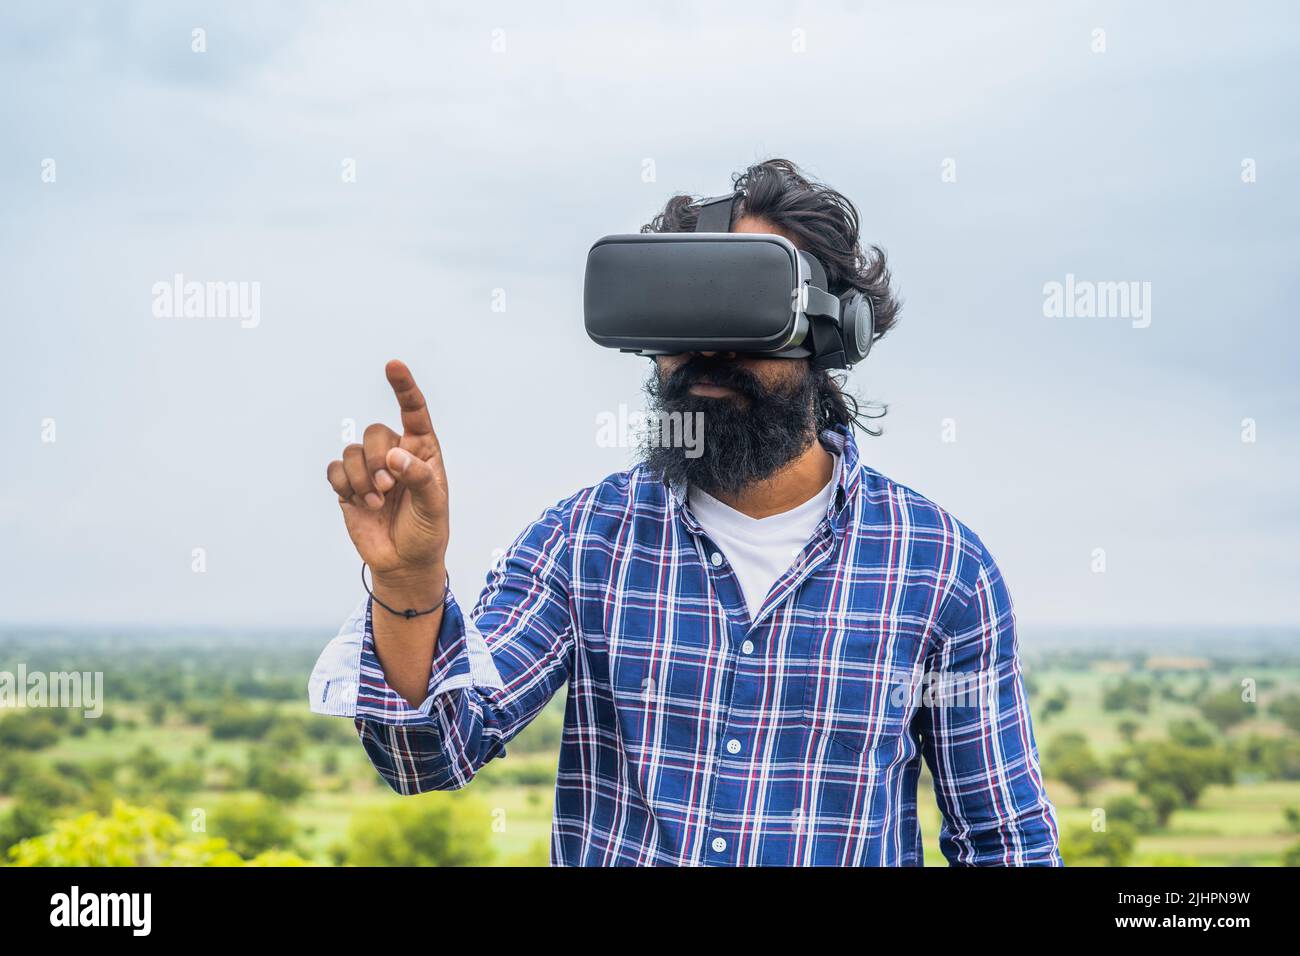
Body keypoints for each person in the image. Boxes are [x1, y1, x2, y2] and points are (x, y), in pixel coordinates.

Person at [309, 158, 1061, 866]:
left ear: (836, 333)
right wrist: (409, 581)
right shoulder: (584, 541)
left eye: (744, 303)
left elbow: (1004, 839)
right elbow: (432, 755)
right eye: (682, 307)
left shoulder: (940, 570)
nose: (708, 347)